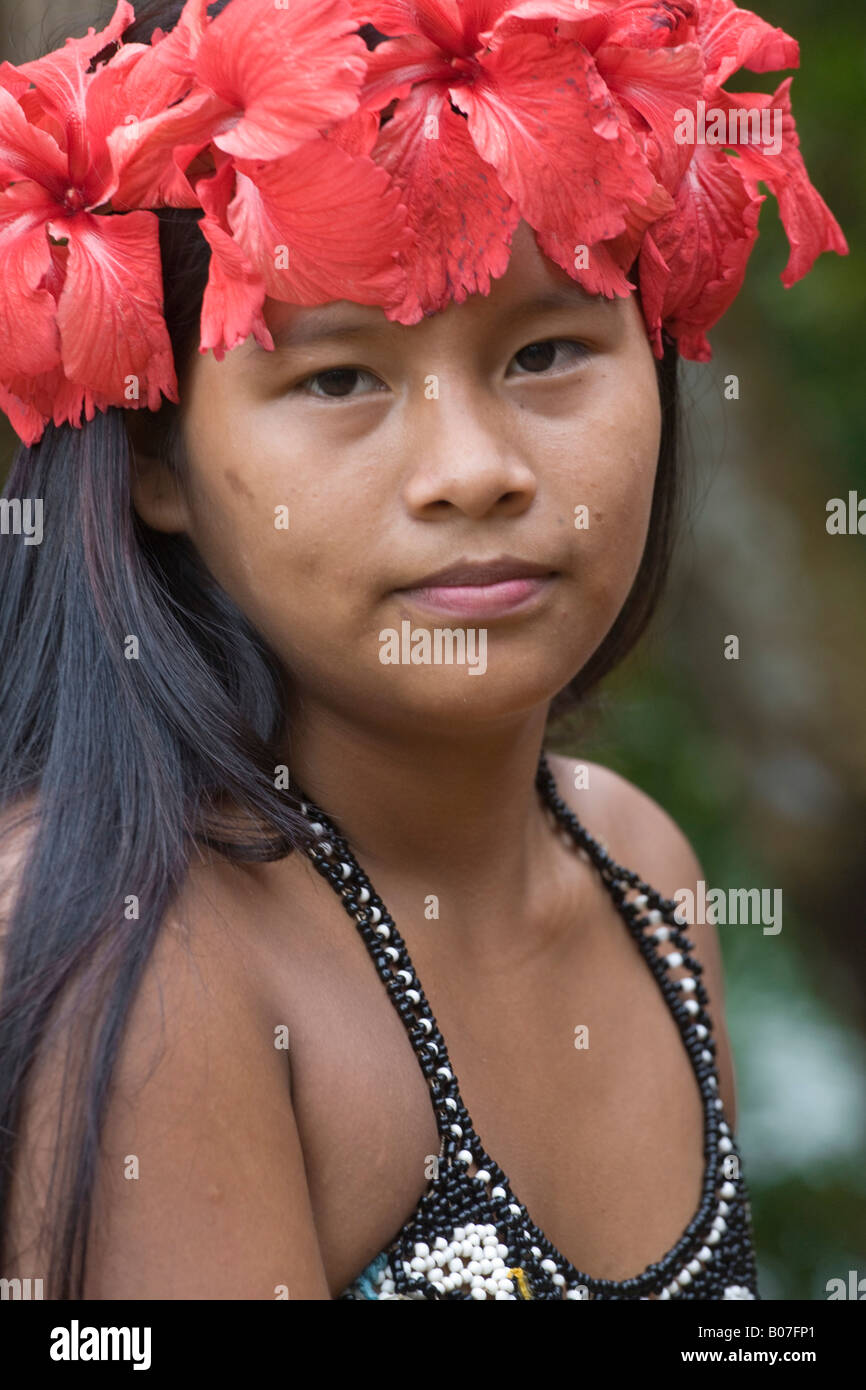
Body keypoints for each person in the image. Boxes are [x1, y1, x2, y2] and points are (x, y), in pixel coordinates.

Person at [0, 0, 845, 1300]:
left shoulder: (643, 870)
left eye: (549, 350)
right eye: (340, 378)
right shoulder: (146, 967)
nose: (472, 471)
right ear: (153, 446)